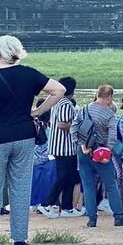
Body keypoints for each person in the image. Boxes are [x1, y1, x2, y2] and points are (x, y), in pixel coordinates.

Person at [0, 35, 67, 245]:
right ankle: (20, 238)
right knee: (20, 188)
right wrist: (38, 111)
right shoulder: (29, 74)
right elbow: (59, 90)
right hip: (24, 136)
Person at [73, 84, 123, 229]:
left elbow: (73, 129)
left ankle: (91, 219)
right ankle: (118, 216)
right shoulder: (110, 114)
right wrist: (108, 153)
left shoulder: (83, 109)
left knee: (88, 185)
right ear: (109, 97)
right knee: (111, 184)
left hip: (83, 151)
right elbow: (112, 138)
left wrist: (82, 145)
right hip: (101, 153)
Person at [39, 76, 82, 219]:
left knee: (68, 177)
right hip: (65, 147)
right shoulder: (65, 104)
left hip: (60, 146)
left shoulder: (56, 103)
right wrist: (77, 128)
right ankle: (46, 203)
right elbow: (63, 124)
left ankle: (67, 207)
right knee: (63, 177)